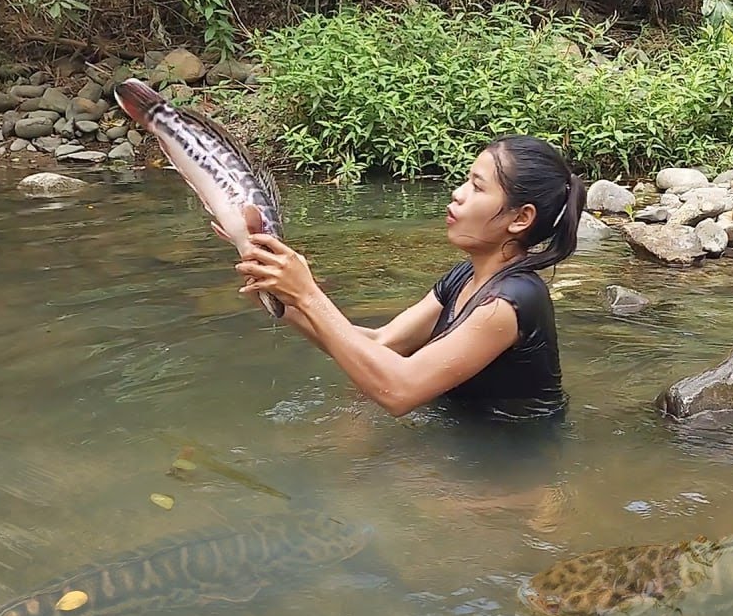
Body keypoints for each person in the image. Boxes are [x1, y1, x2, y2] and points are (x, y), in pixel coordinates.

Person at [225, 134, 585, 422]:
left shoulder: (511, 301)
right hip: (463, 443)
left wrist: (308, 294)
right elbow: (382, 343)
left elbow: (399, 390)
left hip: (515, 466)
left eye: (477, 187)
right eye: (466, 180)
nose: (457, 193)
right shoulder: (466, 276)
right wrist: (283, 299)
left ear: (520, 219)